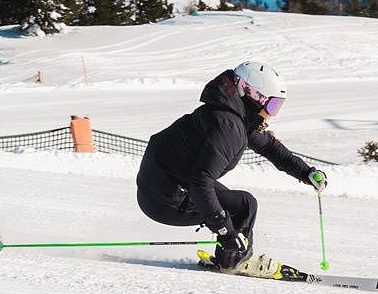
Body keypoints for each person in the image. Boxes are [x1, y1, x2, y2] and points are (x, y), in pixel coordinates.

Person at [136, 60, 324, 272]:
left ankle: (230, 258)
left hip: (166, 184)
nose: (272, 113)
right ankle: (236, 261)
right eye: (272, 105)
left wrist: (306, 172)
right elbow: (200, 184)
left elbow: (271, 148)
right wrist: (225, 230)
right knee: (244, 206)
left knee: (236, 207)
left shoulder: (234, 116)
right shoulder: (228, 126)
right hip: (164, 197)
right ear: (252, 94)